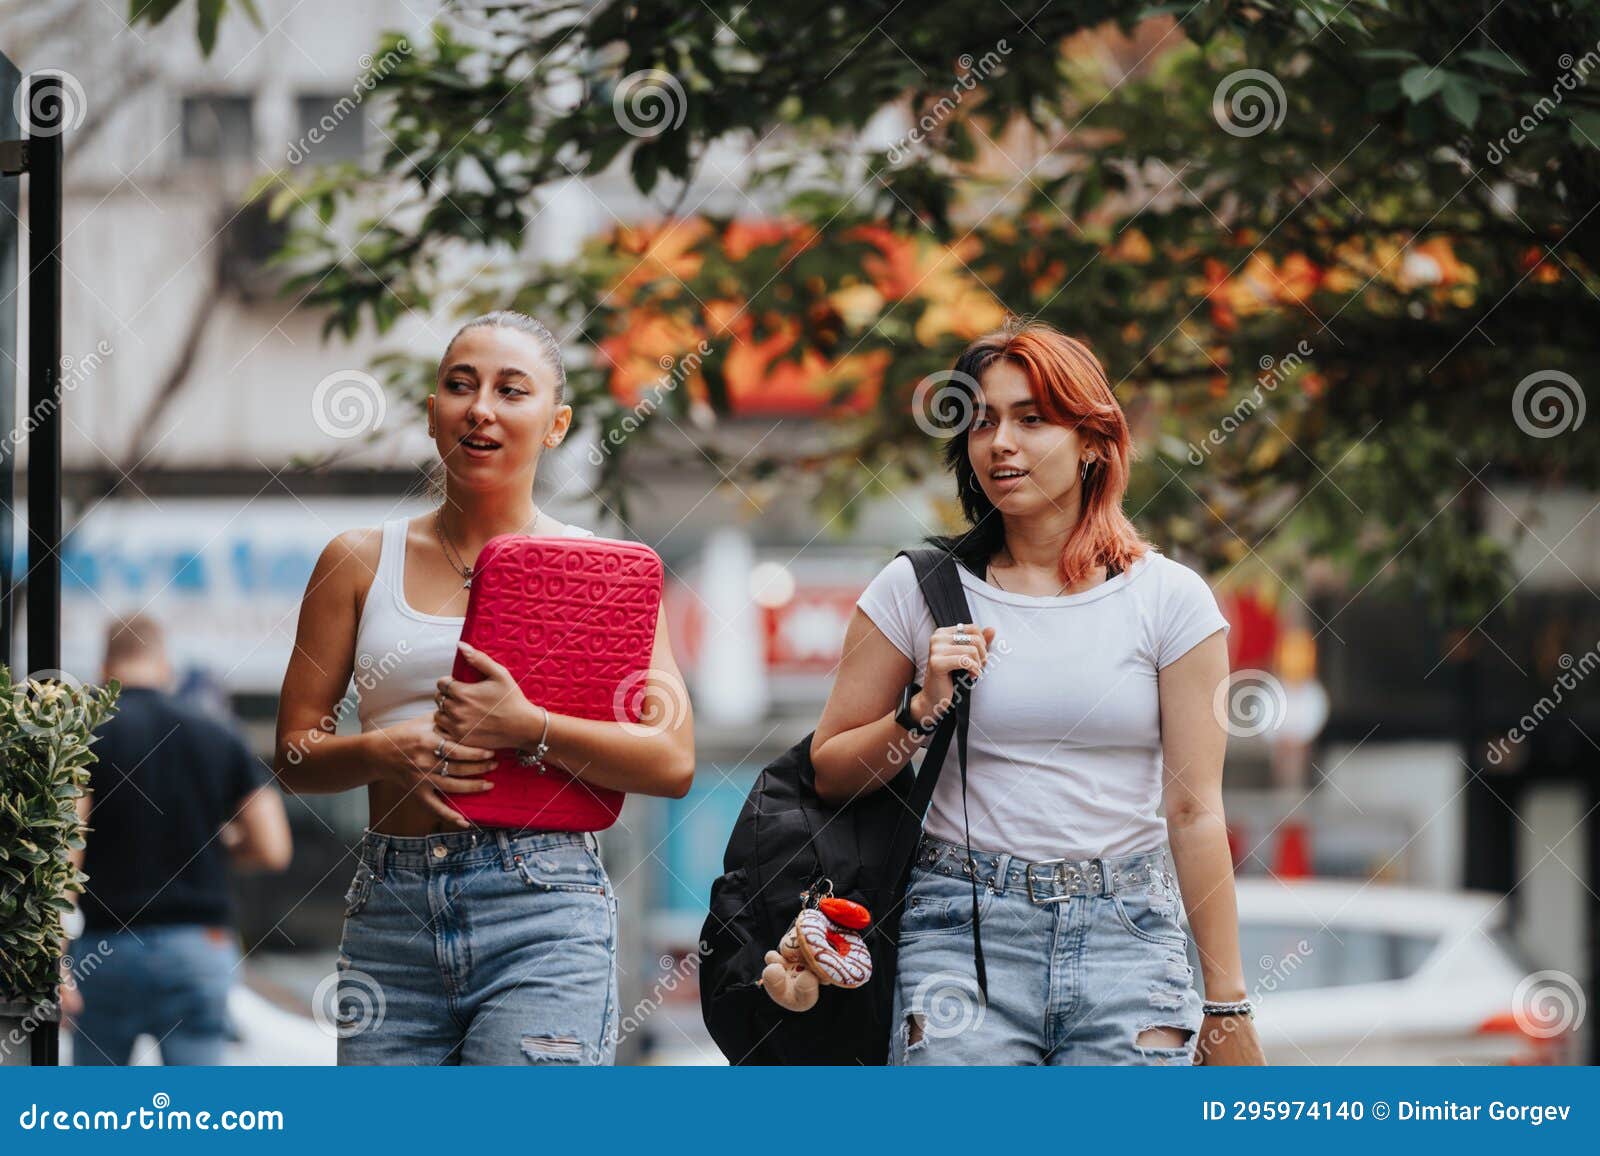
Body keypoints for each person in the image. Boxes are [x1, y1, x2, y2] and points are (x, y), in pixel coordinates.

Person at [810, 319, 1266, 1065]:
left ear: (1093, 441)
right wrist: (919, 711)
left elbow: (1193, 810)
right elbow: (830, 769)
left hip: (1130, 936)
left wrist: (1228, 1003)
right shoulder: (917, 588)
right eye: (983, 422)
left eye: (1032, 419)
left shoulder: (1170, 601)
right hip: (961, 929)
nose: (1001, 443)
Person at [275, 310, 694, 1066]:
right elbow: (295, 755)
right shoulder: (358, 560)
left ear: (556, 423)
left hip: (544, 910)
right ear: (434, 410)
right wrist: (381, 752)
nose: (481, 408)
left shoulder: (600, 571)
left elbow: (671, 760)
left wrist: (529, 726)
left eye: (512, 390)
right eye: (459, 386)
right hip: (391, 908)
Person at [71, 613, 292, 1065]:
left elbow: (64, 856)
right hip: (198, 945)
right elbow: (273, 848)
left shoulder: (86, 738)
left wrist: (52, 961)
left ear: (105, 668)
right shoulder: (219, 733)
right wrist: (216, 847)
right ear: (165, 664)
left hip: (106, 947)